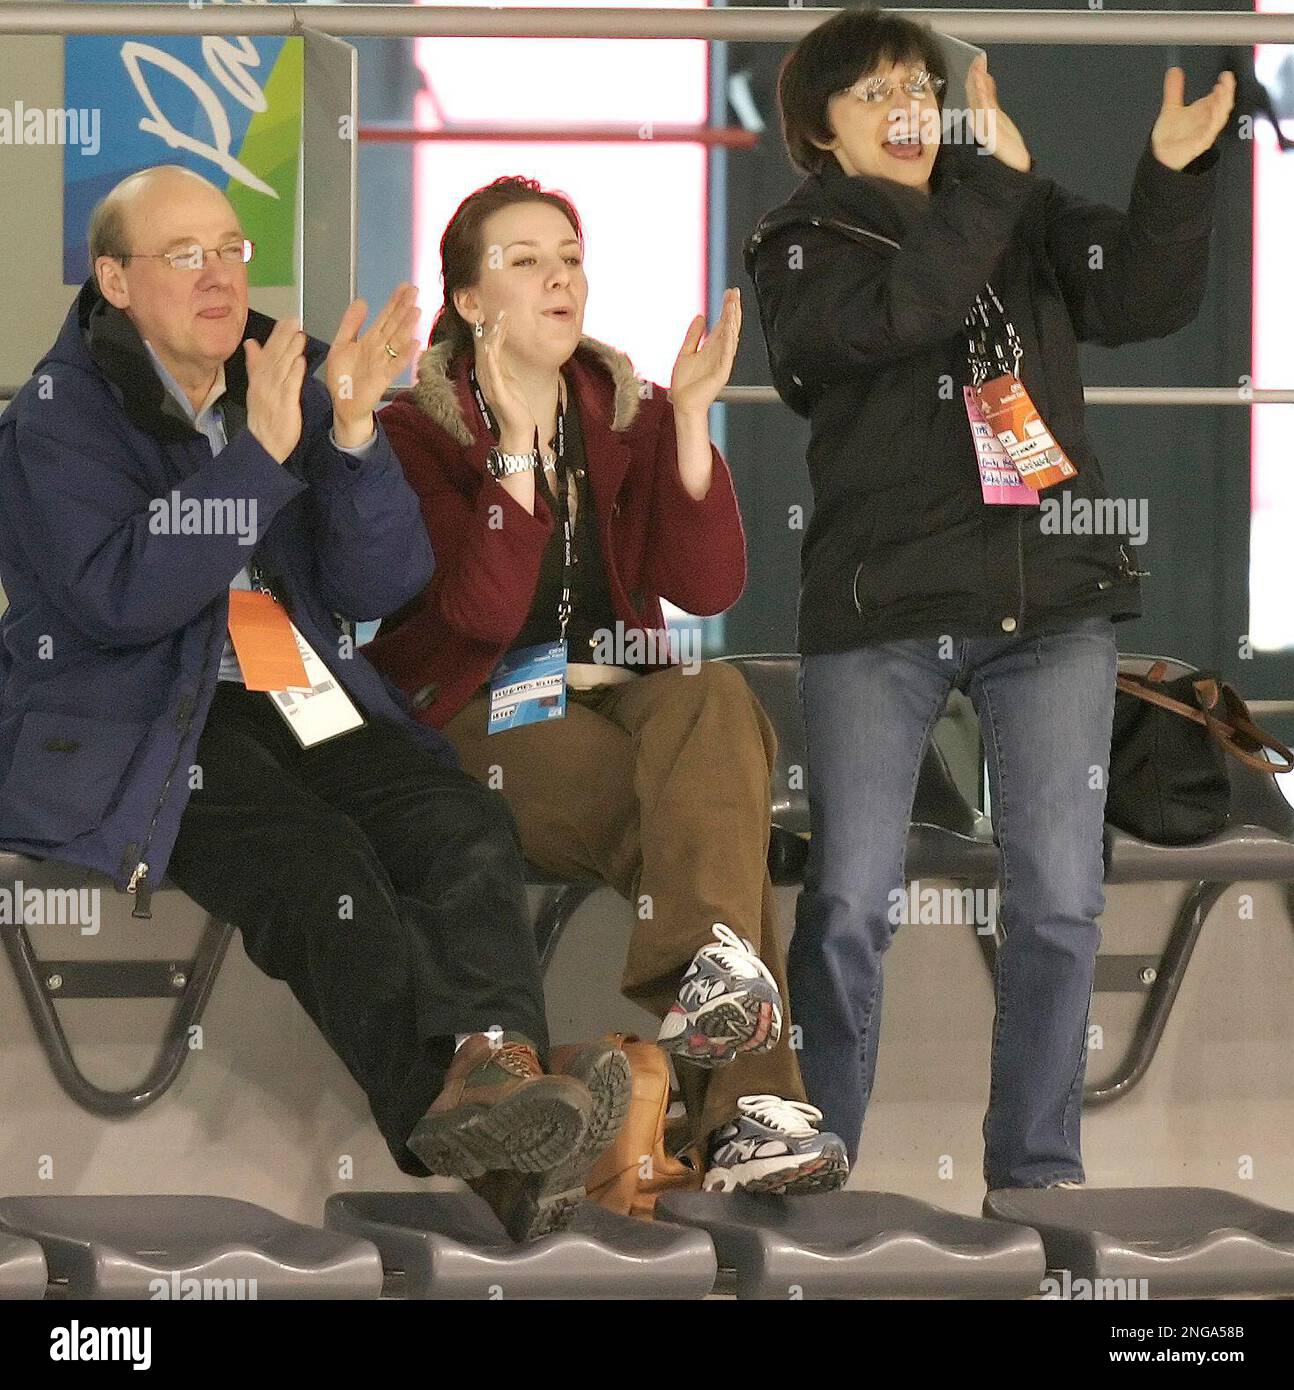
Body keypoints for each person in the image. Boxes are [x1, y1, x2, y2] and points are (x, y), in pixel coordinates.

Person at [0, 164, 629, 1241]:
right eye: (185, 255)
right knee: (317, 859)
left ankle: (500, 1071)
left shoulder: (278, 381)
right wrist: (259, 458)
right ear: (113, 279)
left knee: (458, 820)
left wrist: (347, 438)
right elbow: (118, 598)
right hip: (150, 722)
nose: (221, 275)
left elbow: (377, 584)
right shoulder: (56, 417)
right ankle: (459, 1117)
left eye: (234, 250)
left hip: (294, 687)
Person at [745, 7, 1234, 1190]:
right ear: (820, 131)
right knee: (854, 900)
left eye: (920, 84)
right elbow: (906, 312)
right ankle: (820, 1162)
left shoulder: (1007, 195)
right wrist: (995, 190)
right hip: (882, 614)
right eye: (875, 95)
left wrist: (1170, 176)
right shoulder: (802, 242)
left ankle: (1034, 1171)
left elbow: (1138, 300)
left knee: (1062, 899)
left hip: (1048, 604)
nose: (909, 108)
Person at [364, 175, 848, 1195]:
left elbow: (707, 583)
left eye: (571, 257)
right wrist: (509, 453)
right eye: (525, 259)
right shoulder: (418, 431)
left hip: (615, 685)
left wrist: (690, 430)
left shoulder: (627, 409)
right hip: (482, 711)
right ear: (467, 301)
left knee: (713, 694)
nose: (558, 278)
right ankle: (753, 1104)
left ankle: (710, 984)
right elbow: (479, 619)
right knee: (705, 832)